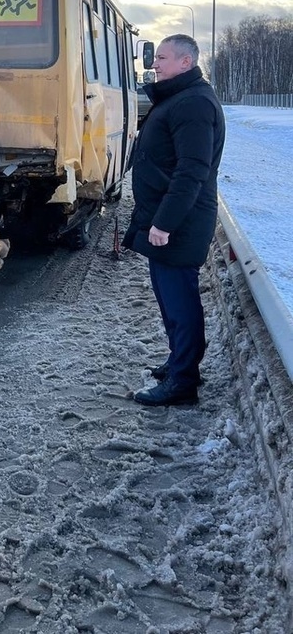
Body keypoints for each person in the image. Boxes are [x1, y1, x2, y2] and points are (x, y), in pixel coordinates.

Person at [122, 34, 225, 407]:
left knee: (180, 302)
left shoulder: (194, 103)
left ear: (186, 62)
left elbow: (191, 171)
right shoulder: (182, 98)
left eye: (162, 58)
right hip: (167, 217)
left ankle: (183, 382)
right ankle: (178, 363)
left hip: (179, 222)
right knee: (169, 299)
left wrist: (164, 224)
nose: (155, 64)